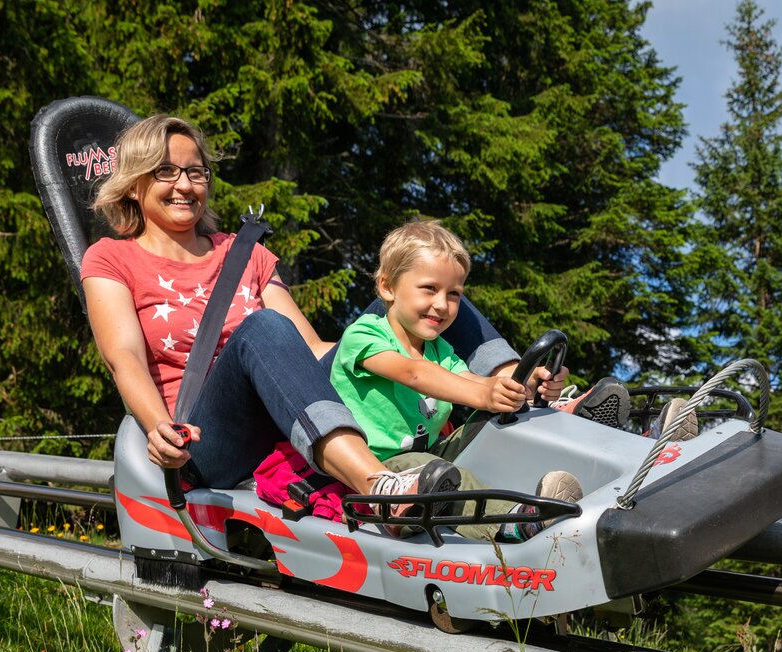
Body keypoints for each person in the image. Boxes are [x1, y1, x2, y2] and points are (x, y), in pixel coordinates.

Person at [78, 115, 550, 534]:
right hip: (204, 438)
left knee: (429, 288)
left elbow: (310, 348)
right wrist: (159, 427)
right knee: (262, 328)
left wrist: (364, 355)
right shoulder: (111, 258)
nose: (184, 184)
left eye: (195, 172)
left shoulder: (244, 254)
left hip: (287, 418)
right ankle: (376, 487)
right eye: (165, 171)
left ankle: (520, 383)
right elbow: (124, 358)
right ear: (134, 184)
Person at [332, 221, 581, 541]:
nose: (442, 304)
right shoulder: (364, 334)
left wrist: (523, 387)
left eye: (453, 294)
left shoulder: (440, 349)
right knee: (438, 474)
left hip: (433, 452)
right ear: (387, 287)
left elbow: (470, 382)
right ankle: (512, 522)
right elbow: (413, 373)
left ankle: (558, 432)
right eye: (429, 288)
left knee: (492, 417)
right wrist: (485, 394)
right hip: (384, 470)